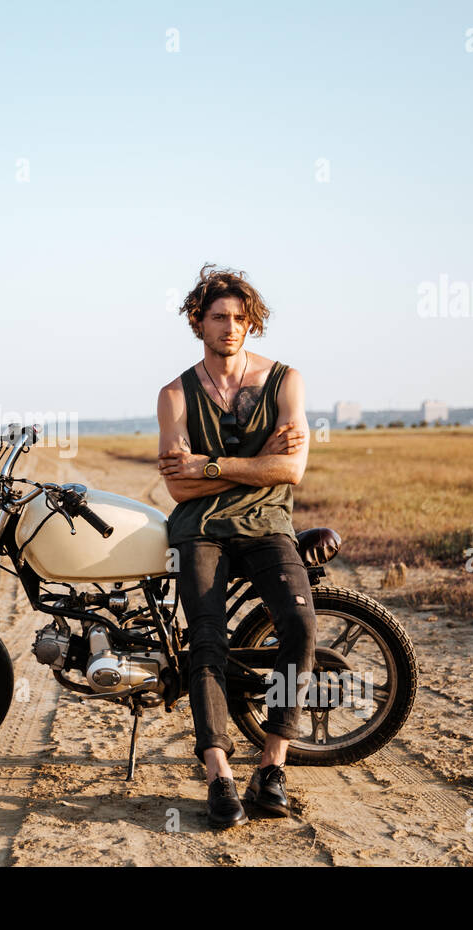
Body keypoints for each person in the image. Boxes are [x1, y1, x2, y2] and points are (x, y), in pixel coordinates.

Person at [156, 263, 316, 829]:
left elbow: (291, 470)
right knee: (204, 638)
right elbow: (179, 486)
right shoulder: (174, 395)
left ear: (252, 324)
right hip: (198, 530)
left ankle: (271, 766)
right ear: (197, 321)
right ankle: (219, 776)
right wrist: (256, 466)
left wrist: (212, 464)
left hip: (268, 525)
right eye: (219, 317)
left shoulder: (285, 380)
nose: (231, 327)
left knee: (299, 628)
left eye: (241, 318)